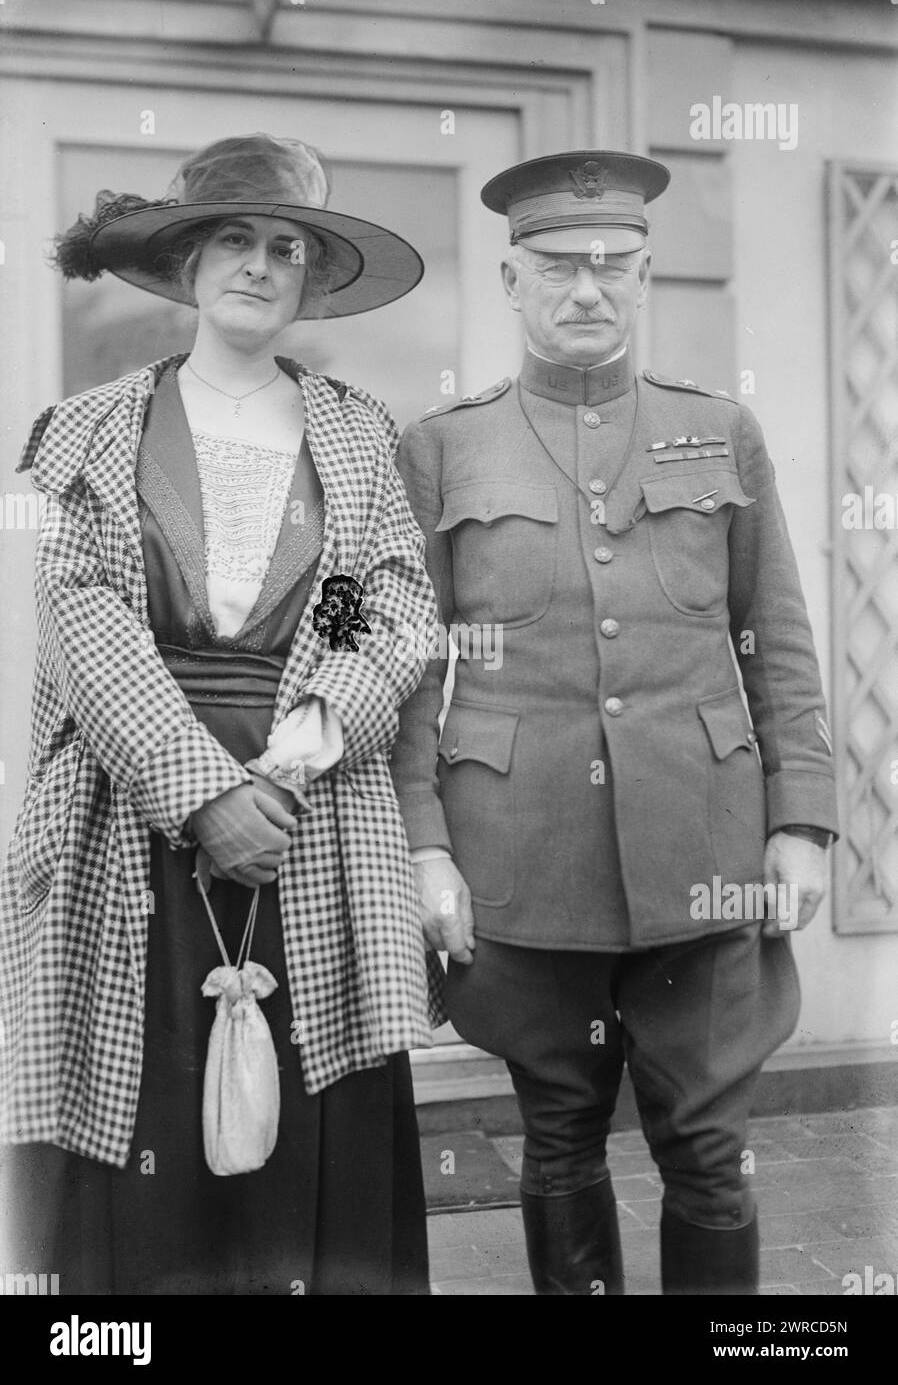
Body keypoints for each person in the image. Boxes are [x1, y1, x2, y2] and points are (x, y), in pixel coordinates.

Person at [0, 133, 443, 1296]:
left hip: (311, 806)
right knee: (138, 1107)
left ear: (310, 276)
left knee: (317, 1107)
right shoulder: (78, 433)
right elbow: (80, 613)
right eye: (233, 240)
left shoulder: (354, 431)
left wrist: (293, 758)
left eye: (284, 246)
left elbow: (382, 603)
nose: (258, 265)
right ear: (189, 261)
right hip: (129, 806)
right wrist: (203, 792)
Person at [390, 150, 838, 1296]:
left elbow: (775, 638)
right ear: (510, 280)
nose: (586, 288)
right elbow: (405, 672)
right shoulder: (442, 449)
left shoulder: (719, 432)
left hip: (702, 848)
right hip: (520, 856)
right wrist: (427, 848)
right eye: (558, 266)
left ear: (643, 282)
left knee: (706, 1146)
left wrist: (801, 821)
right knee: (556, 1134)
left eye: (612, 266)